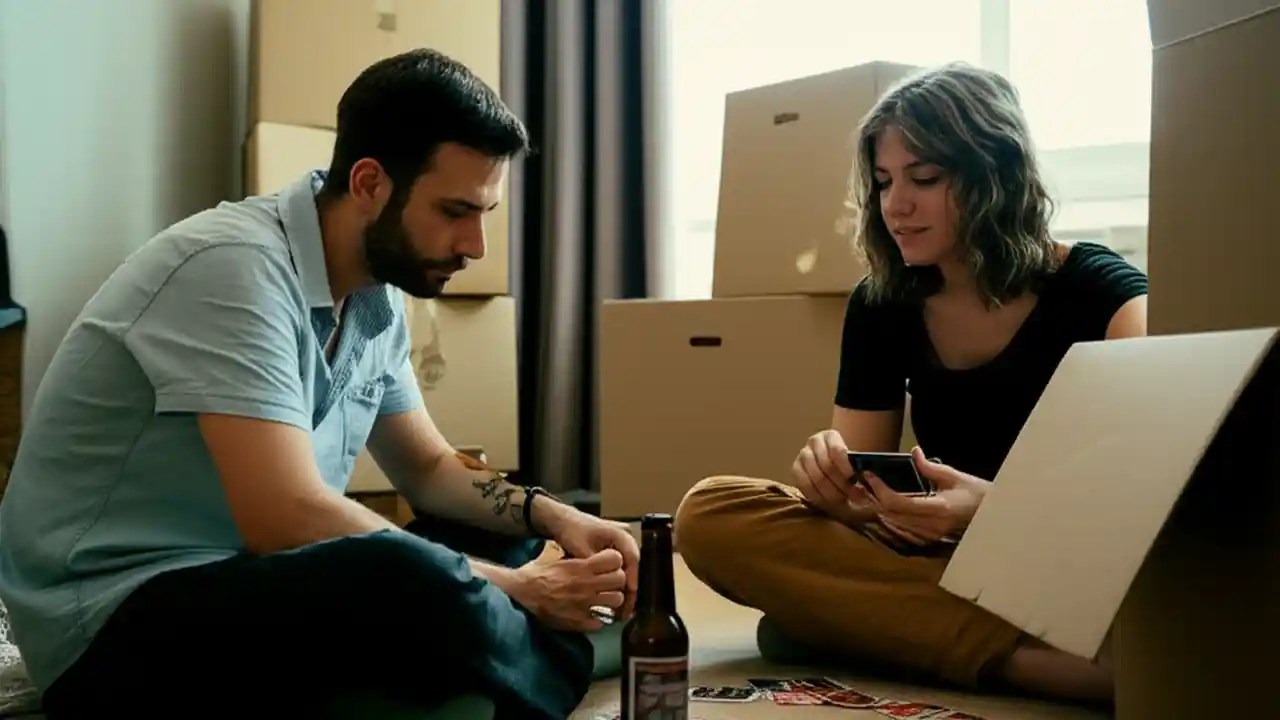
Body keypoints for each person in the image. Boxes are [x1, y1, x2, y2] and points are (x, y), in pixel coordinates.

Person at [0, 48, 636, 719]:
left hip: (251, 581)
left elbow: (429, 470)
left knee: (504, 544)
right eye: (455, 211)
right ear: (369, 184)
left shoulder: (374, 298)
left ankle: (482, 678)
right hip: (112, 622)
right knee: (416, 577)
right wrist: (520, 591)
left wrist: (555, 515)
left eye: (484, 213)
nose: (475, 245)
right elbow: (285, 516)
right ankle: (560, 656)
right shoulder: (231, 269)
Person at [674, 62, 1147, 707]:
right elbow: (859, 495)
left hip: (1060, 561)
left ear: (994, 176)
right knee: (711, 513)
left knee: (1152, 593)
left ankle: (855, 625)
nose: (896, 205)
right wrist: (834, 481)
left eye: (925, 179)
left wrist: (992, 509)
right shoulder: (884, 301)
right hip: (936, 561)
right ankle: (1033, 664)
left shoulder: (1103, 294)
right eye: (883, 182)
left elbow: (1148, 489)